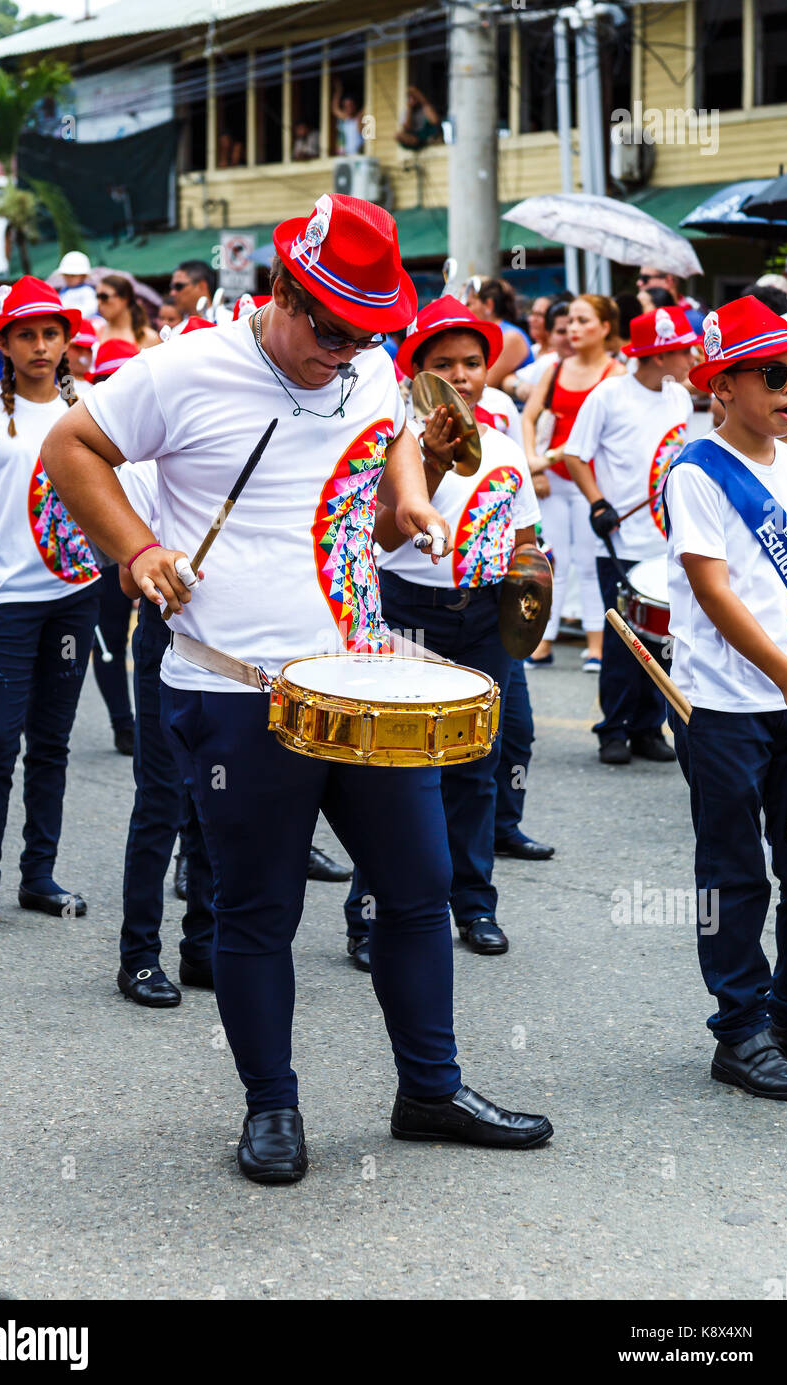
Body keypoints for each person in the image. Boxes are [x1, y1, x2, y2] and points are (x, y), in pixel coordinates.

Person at [41, 194, 553, 1183]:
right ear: (280, 290)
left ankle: (429, 1088)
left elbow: (387, 436)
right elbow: (72, 448)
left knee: (417, 889)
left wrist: (410, 493)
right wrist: (138, 547)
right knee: (257, 910)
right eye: (327, 330)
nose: (344, 353)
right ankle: (272, 1105)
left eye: (366, 335)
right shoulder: (186, 368)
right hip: (235, 689)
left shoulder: (363, 367)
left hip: (361, 681)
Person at [343, 296, 542, 965]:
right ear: (420, 374)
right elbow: (383, 532)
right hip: (408, 616)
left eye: (473, 362)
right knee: (396, 768)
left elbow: (523, 534)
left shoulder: (507, 444)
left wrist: (531, 595)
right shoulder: (395, 439)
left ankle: (474, 905)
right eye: (445, 364)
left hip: (485, 620)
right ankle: (369, 916)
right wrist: (429, 457)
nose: (462, 375)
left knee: (475, 769)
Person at [664, 296, 787, 1100]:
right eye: (771, 374)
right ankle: (740, 1028)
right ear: (721, 386)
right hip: (726, 707)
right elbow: (714, 591)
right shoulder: (697, 470)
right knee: (734, 871)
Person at [0, 276, 100, 935]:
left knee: (52, 742)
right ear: (3, 343)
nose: (40, 346)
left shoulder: (91, 408)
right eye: (26, 334)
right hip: (4, 601)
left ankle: (39, 875)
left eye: (50, 334)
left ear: (66, 342)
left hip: (74, 598)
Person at [564, 306, 695, 763]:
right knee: (624, 643)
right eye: (682, 350)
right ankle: (613, 730)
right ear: (659, 356)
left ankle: (647, 728)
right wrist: (599, 502)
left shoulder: (678, 396)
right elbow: (575, 455)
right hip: (619, 541)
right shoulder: (608, 396)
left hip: (666, 542)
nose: (691, 356)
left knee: (663, 642)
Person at [115, 455, 216, 1006]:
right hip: (167, 639)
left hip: (228, 649)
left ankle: (202, 947)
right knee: (160, 798)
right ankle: (139, 957)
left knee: (213, 801)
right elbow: (127, 575)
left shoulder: (219, 450)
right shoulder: (139, 471)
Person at [521, 294, 625, 669]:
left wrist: (547, 457)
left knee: (588, 561)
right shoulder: (555, 367)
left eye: (583, 321)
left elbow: (598, 435)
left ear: (605, 327)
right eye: (571, 322)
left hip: (590, 483)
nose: (574, 329)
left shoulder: (615, 374)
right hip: (553, 481)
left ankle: (597, 645)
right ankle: (542, 643)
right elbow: (529, 416)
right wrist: (534, 461)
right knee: (553, 562)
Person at [87, 340, 141, 756]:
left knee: (158, 642)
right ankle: (123, 724)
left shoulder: (155, 420)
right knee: (108, 638)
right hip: (104, 555)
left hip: (157, 551)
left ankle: (157, 721)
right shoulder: (90, 429)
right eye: (108, 379)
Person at [466, 278, 532, 387]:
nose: (465, 309)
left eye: (469, 304)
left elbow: (483, 384)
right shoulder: (482, 337)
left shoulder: (511, 337)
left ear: (488, 305)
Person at [95, 275, 159, 350]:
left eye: (104, 297)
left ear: (125, 298)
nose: (99, 303)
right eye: (97, 297)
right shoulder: (96, 332)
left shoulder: (149, 337)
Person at [636, 267, 706, 333]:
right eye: (639, 277)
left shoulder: (695, 320)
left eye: (645, 278)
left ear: (669, 280)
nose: (639, 283)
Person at [56, 251, 99, 321]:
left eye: (73, 276)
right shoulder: (63, 292)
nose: (69, 278)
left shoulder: (87, 291)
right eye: (66, 275)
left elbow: (91, 308)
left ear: (83, 276)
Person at [66, 318, 97, 395]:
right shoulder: (52, 382)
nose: (84, 352)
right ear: (64, 347)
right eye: (78, 347)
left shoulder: (98, 385)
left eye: (89, 348)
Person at [332, 81, 364, 154]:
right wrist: (338, 91)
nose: (348, 108)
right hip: (346, 155)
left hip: (358, 155)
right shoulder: (346, 119)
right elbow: (335, 109)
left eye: (350, 105)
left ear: (355, 105)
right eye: (345, 106)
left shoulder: (359, 118)